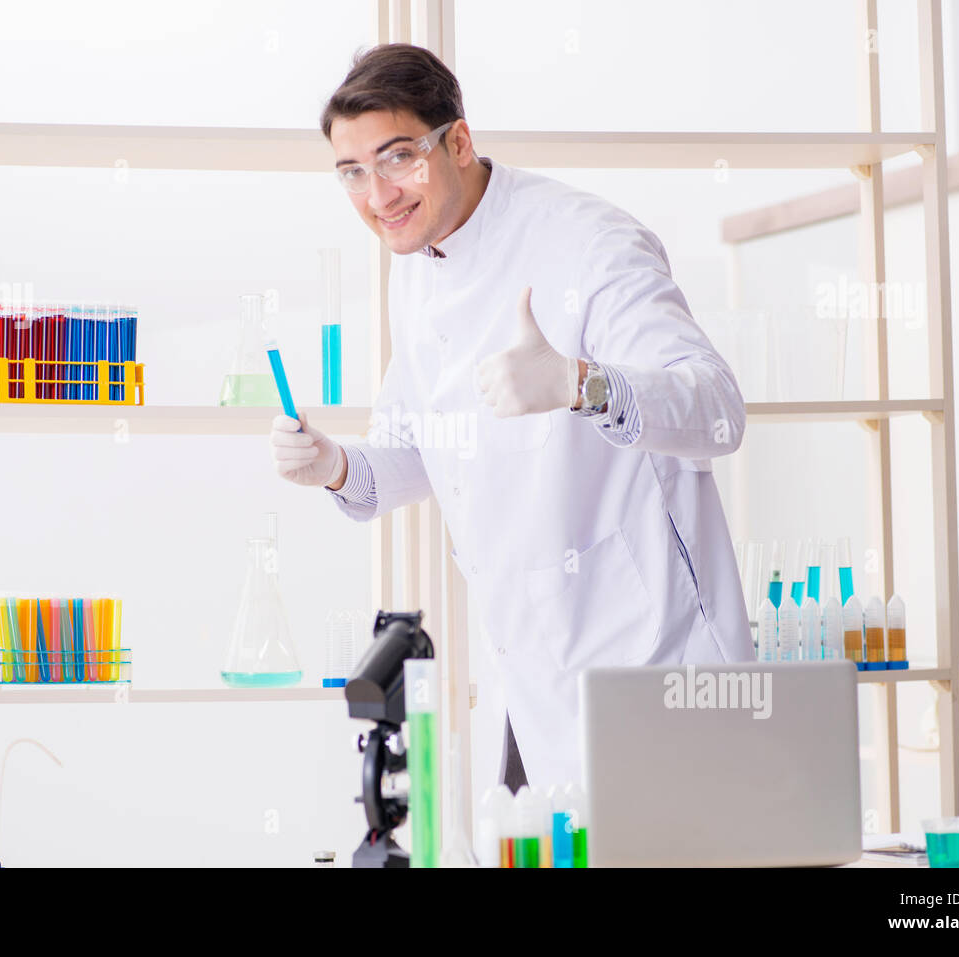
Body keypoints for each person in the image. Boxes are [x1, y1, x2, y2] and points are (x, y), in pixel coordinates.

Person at [270, 44, 753, 790]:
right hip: (528, 686)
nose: (378, 194)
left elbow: (717, 408)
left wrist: (580, 384)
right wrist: (334, 464)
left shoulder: (589, 242)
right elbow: (420, 452)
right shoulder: (415, 265)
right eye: (353, 172)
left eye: (397, 158)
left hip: (657, 662)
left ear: (457, 141)